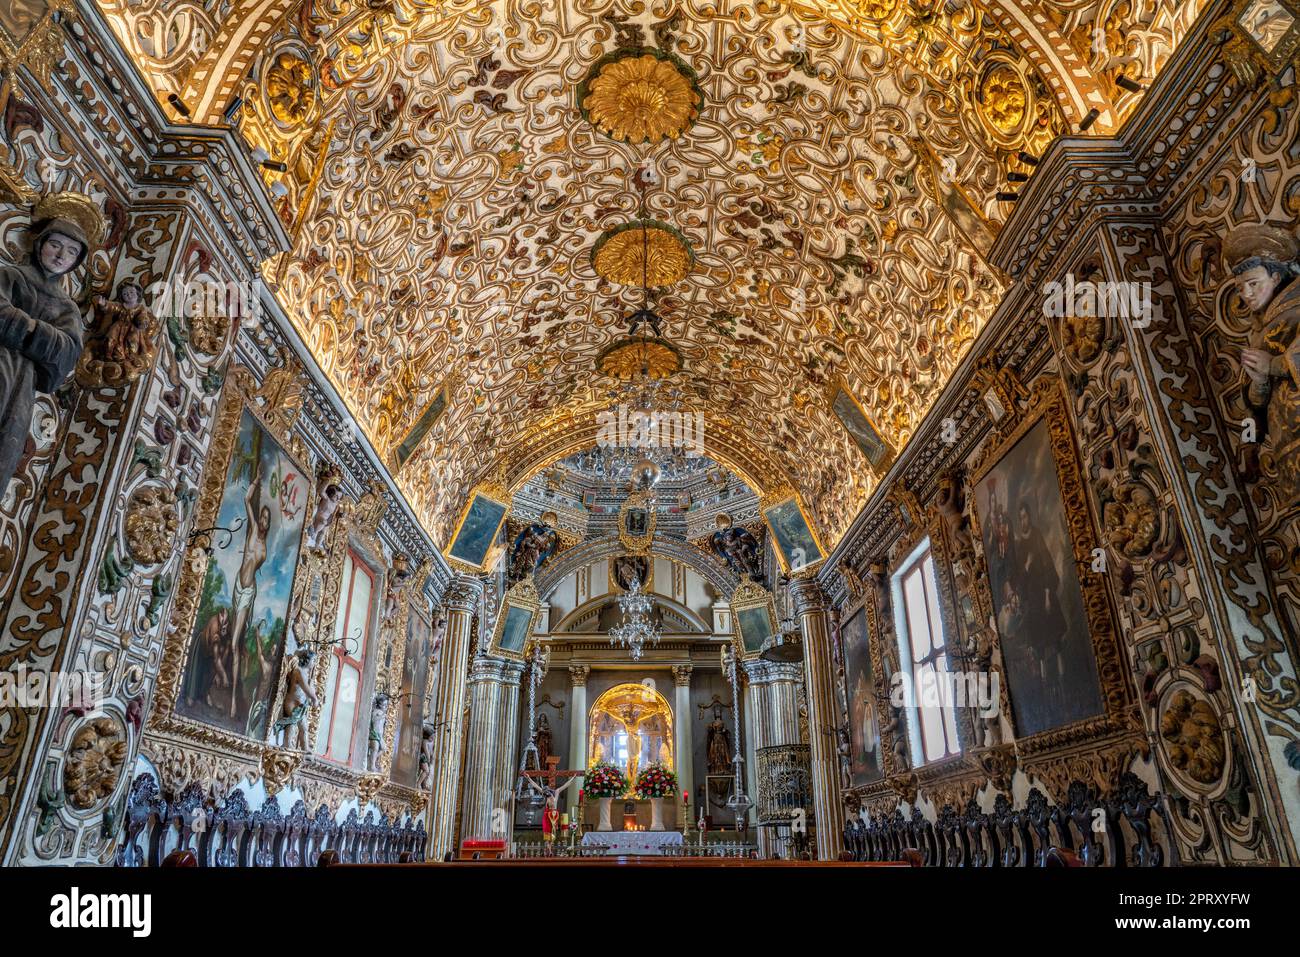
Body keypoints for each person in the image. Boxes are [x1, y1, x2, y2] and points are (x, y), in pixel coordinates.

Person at [0, 196, 99, 492]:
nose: (60, 255)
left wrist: (24, 328)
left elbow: (67, 356)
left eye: (70, 252)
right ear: (41, 243)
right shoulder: (11, 276)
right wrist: (41, 335)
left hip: (22, 386)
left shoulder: (67, 309)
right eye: (55, 245)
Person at [230, 453, 272, 717]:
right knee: (233, 641)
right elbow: (247, 500)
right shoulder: (254, 531)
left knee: (234, 643)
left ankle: (234, 699)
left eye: (267, 519)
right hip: (237, 585)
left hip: (248, 593)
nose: (264, 521)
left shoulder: (265, 549)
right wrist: (256, 481)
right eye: (263, 517)